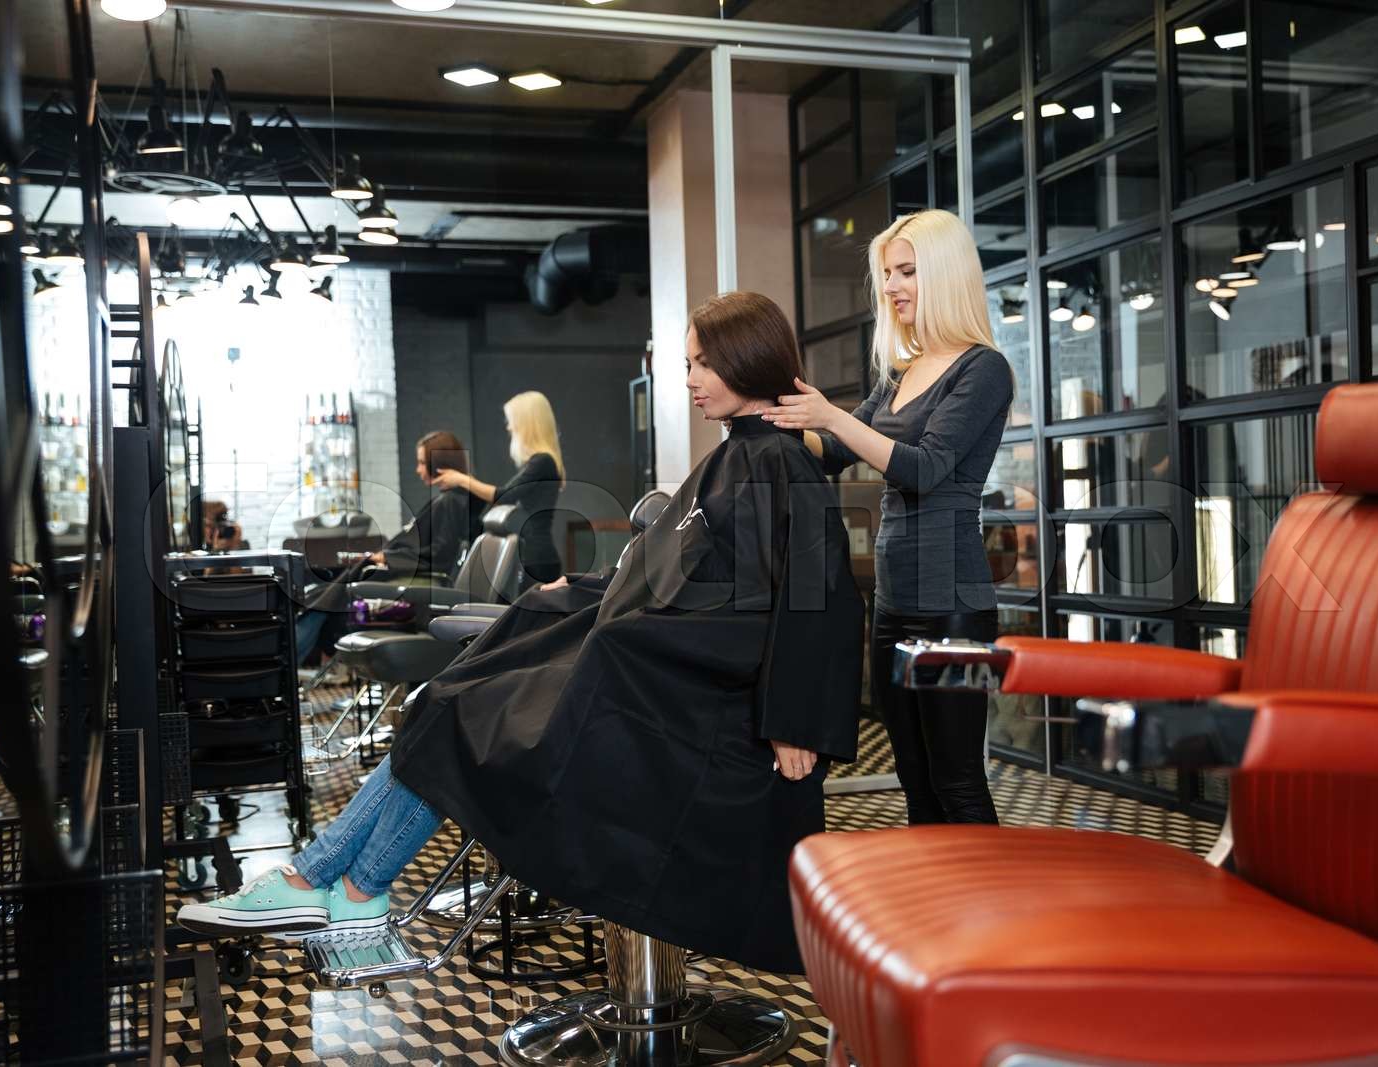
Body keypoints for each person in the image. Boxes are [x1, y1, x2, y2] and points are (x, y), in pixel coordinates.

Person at [179, 291, 864, 975]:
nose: (687, 379)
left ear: (746, 359)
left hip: (693, 715)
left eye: (702, 363)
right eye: (688, 363)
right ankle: (341, 886)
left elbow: (815, 602)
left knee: (458, 710)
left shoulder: (777, 461)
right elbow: (664, 576)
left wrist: (794, 718)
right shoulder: (732, 457)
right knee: (450, 698)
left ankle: (335, 885)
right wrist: (585, 590)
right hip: (648, 681)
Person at [763, 208, 1012, 826]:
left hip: (952, 601)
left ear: (947, 274)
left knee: (956, 777)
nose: (892, 287)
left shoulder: (983, 368)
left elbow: (923, 468)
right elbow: (834, 452)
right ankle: (932, 919)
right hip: (896, 601)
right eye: (887, 275)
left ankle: (992, 918)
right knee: (913, 775)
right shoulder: (900, 373)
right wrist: (770, 414)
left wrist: (830, 416)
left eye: (906, 271)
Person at [295, 431, 482, 664]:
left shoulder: (451, 502)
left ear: (440, 465)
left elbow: (439, 556)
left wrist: (388, 559)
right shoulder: (450, 500)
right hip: (404, 571)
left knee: (325, 600)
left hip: (418, 582)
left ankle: (293, 662)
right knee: (321, 594)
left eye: (423, 463)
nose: (418, 469)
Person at [429, 391, 565, 589]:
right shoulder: (537, 462)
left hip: (538, 559)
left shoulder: (542, 462)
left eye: (512, 421)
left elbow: (505, 495)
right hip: (531, 555)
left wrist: (462, 479)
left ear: (528, 424)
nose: (509, 427)